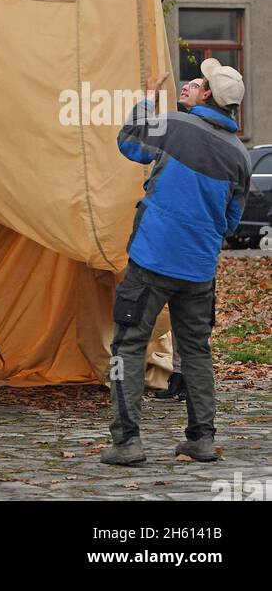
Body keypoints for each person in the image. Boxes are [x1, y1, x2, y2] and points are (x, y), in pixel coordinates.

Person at [101, 60, 252, 466]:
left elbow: (129, 139)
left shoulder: (175, 126)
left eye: (199, 82)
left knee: (128, 346)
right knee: (196, 351)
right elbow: (231, 222)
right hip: (200, 270)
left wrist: (147, 96)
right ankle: (202, 439)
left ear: (207, 97)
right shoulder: (240, 156)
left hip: (152, 259)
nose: (191, 83)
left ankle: (127, 442)